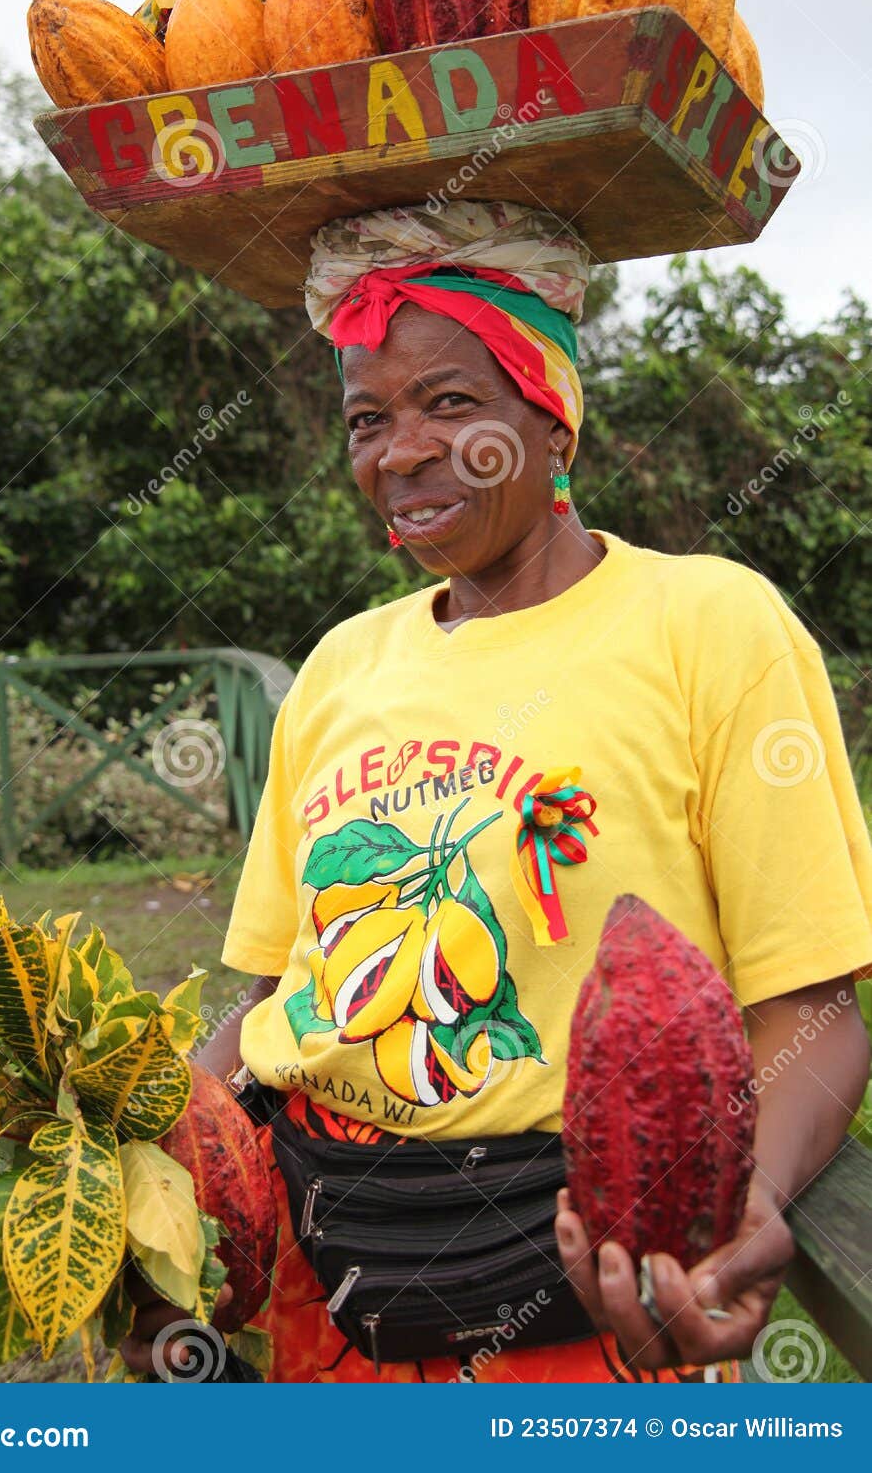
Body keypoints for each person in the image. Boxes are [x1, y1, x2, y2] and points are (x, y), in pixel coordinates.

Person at [123, 201, 872, 1383]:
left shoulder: (707, 626)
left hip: (585, 1292)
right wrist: (142, 1184)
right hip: (316, 1291)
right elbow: (273, 1001)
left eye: (450, 403)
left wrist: (743, 1204)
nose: (400, 451)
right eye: (367, 418)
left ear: (552, 415)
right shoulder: (339, 665)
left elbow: (814, 1006)